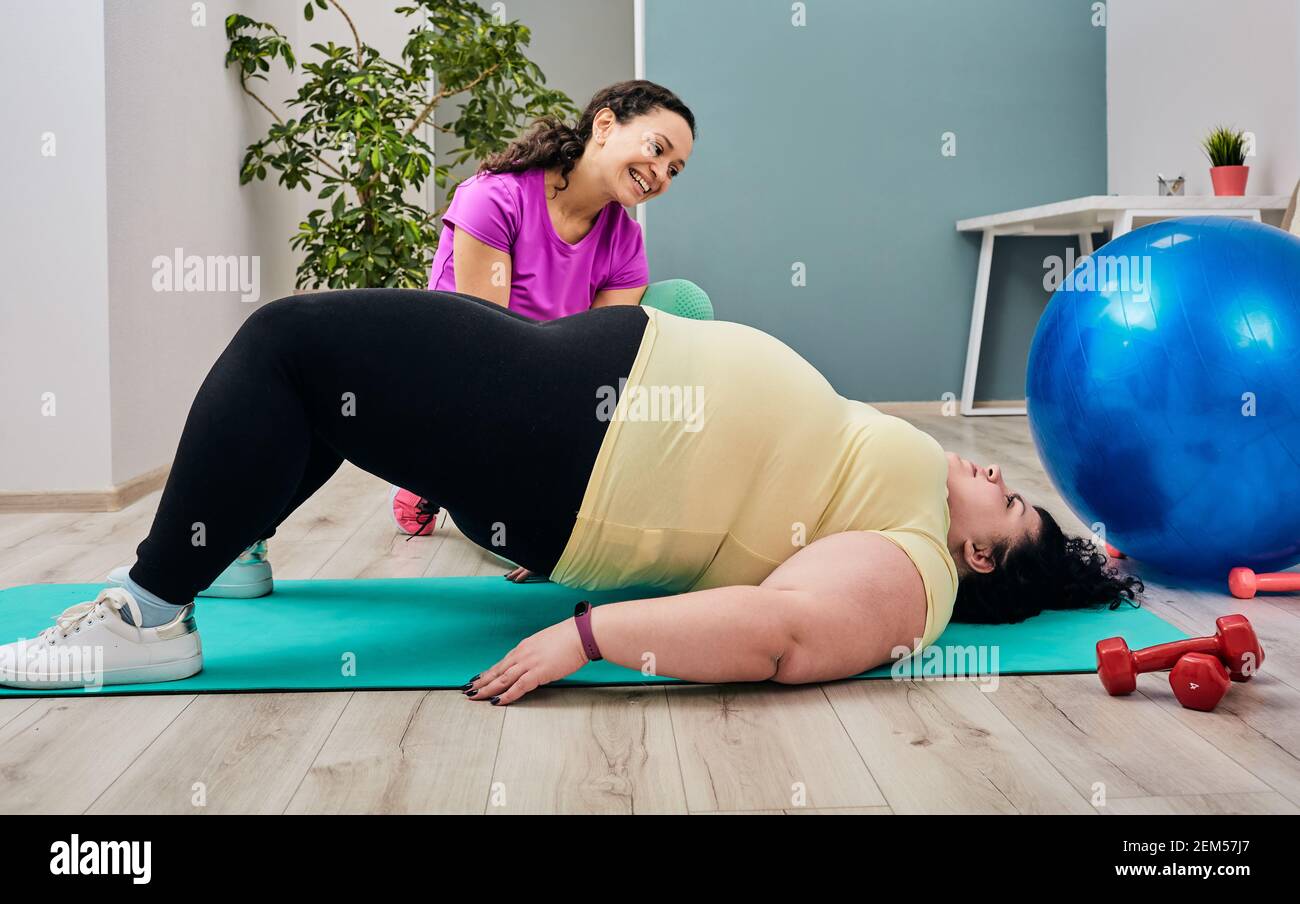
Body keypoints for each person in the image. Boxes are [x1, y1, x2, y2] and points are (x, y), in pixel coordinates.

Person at [0, 290, 1141, 697]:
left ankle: (152, 614)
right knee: (334, 390)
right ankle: (220, 548)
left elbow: (788, 633)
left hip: (584, 460)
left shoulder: (918, 573)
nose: (994, 476)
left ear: (983, 558)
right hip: (585, 398)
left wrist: (591, 635)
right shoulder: (906, 492)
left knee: (293, 345)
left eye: (1012, 507)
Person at [390, 79, 694, 542]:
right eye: (656, 149)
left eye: (675, 169)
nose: (660, 174)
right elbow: (485, 348)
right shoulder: (495, 197)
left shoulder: (625, 242)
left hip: (552, 383)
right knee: (535, 527)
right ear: (606, 124)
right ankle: (440, 470)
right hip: (470, 377)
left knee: (681, 303)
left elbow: (600, 354)